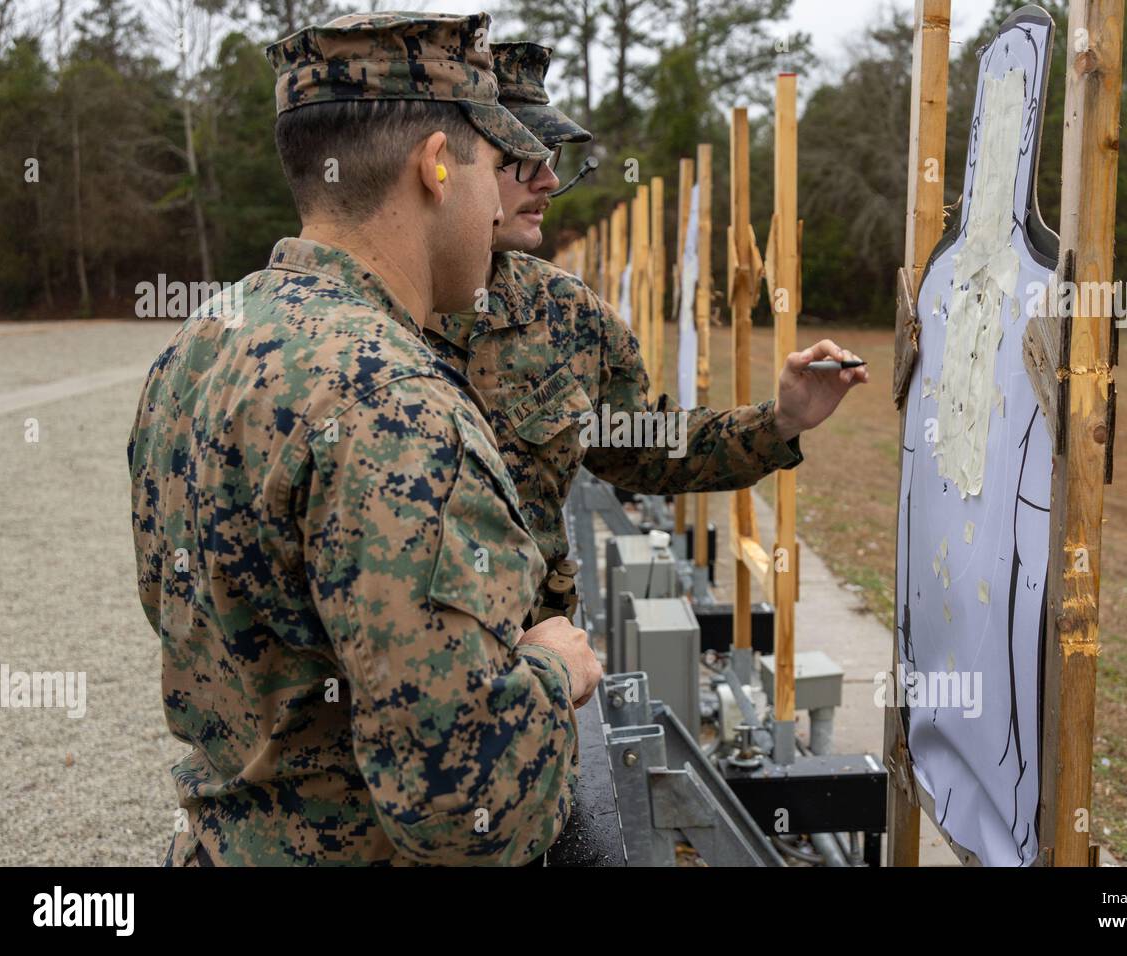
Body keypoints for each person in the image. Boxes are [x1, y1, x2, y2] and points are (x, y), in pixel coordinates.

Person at [127, 13, 600, 867]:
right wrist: (553, 670)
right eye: (495, 167)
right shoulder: (397, 403)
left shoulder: (200, 343)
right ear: (437, 164)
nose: (500, 201)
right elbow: (467, 812)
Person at [425, 42, 871, 606]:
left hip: (539, 661)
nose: (547, 181)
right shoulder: (363, 318)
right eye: (520, 157)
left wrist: (779, 421)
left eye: (552, 157)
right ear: (455, 162)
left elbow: (642, 445)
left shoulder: (567, 314)